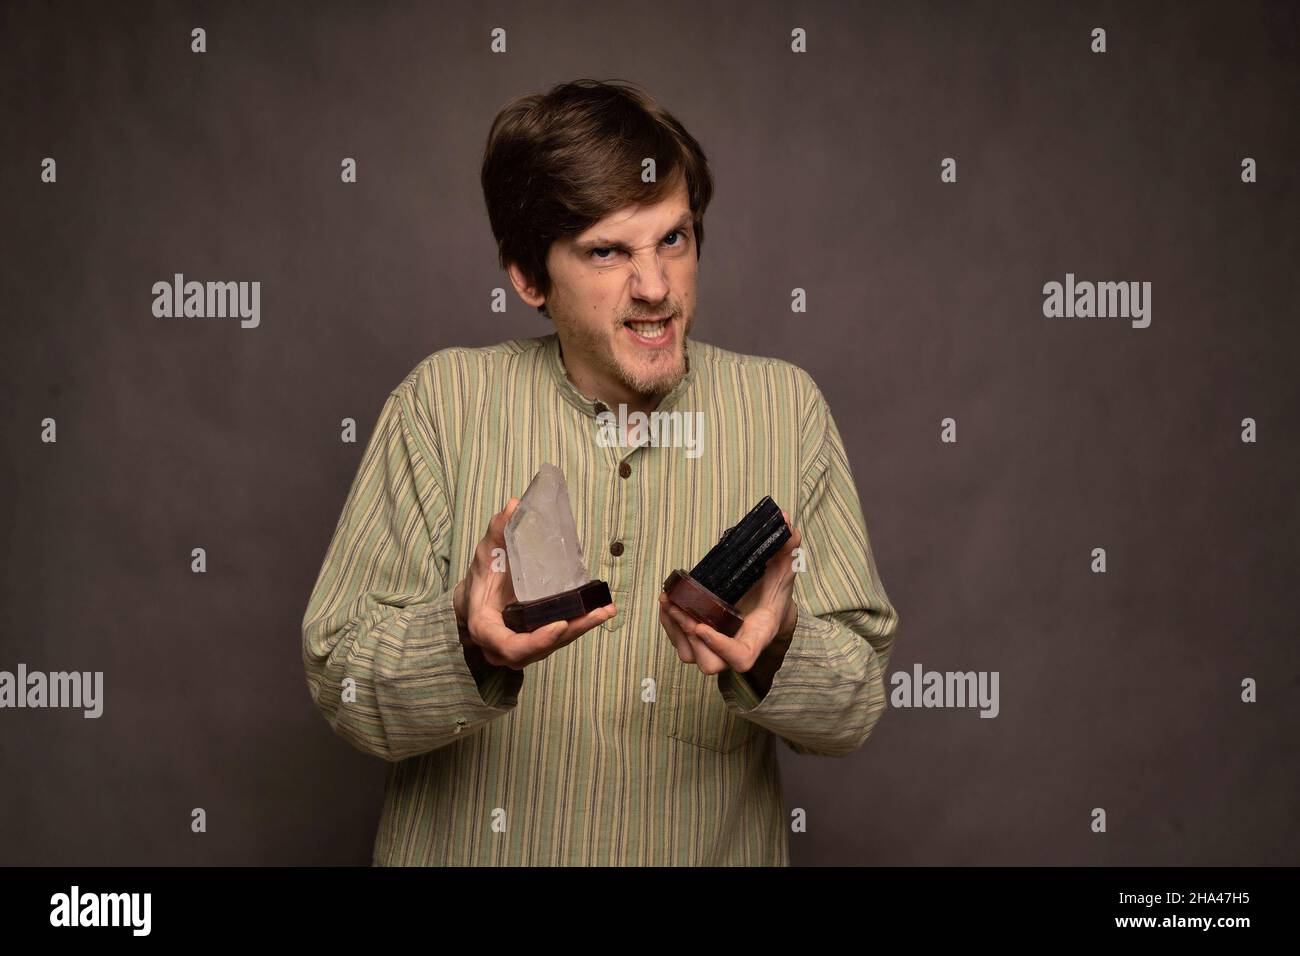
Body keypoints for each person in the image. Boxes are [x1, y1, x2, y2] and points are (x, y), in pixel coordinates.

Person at [301, 78, 899, 865]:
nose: (654, 288)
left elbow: (855, 707)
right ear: (528, 276)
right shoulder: (440, 405)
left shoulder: (788, 411)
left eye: (673, 241)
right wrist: (464, 637)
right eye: (607, 251)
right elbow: (341, 680)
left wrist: (780, 640)